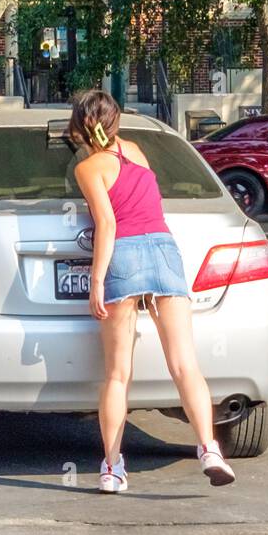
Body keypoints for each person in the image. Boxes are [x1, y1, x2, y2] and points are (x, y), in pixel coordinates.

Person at [68, 89, 235, 492]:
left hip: (124, 254)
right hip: (163, 248)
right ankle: (209, 448)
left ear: (80, 126)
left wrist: (95, 280)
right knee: (184, 364)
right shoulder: (137, 151)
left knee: (117, 372)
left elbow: (106, 225)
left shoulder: (89, 168)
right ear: (115, 121)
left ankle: (111, 467)